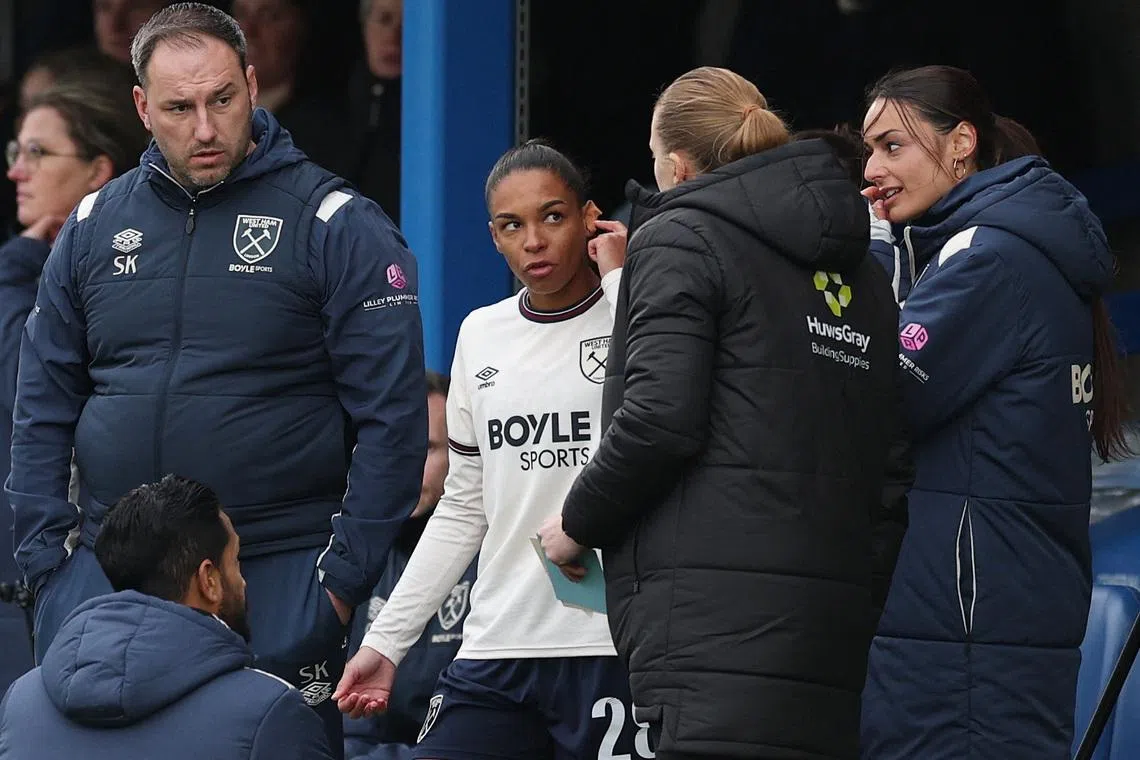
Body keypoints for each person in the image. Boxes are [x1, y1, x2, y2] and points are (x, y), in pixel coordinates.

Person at [6, 3, 426, 756]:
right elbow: (40, 408)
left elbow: (394, 425)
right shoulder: (96, 224)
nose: (205, 127)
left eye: (223, 99)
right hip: (108, 580)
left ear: (252, 86)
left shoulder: (335, 222)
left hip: (276, 574)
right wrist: (48, 571)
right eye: (179, 107)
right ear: (142, 107)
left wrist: (334, 590)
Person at [540, 66, 906, 760]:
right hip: (829, 634)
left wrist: (577, 524)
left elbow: (658, 420)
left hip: (707, 633)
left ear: (677, 166)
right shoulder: (863, 272)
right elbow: (892, 465)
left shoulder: (679, 236)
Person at [334, 141, 649, 760]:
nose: (534, 241)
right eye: (512, 225)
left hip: (612, 644)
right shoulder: (481, 333)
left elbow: (664, 430)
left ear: (590, 218)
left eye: (552, 216)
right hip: (497, 645)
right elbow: (463, 507)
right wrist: (387, 643)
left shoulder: (634, 313)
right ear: (494, 237)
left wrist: (622, 280)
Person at [858, 65, 1129, 760]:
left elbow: (875, 405)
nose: (871, 170)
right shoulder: (1011, 249)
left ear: (962, 144)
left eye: (893, 146)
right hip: (985, 626)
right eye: (869, 149)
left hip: (963, 640)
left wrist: (871, 265)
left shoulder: (990, 259)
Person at [0, 474, 334, 759]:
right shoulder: (272, 712)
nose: (243, 582)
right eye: (235, 562)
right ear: (209, 580)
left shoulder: (22, 702)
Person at [0, 82, 150, 696]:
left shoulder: (117, 274)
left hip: (70, 589)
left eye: (38, 153)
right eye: (17, 151)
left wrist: (15, 268)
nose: (17, 171)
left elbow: (24, 384)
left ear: (97, 171)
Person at [343, 370, 477, 760]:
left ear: (461, 456)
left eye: (428, 449)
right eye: (399, 450)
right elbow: (351, 728)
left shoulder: (491, 561)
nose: (410, 467)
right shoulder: (355, 560)